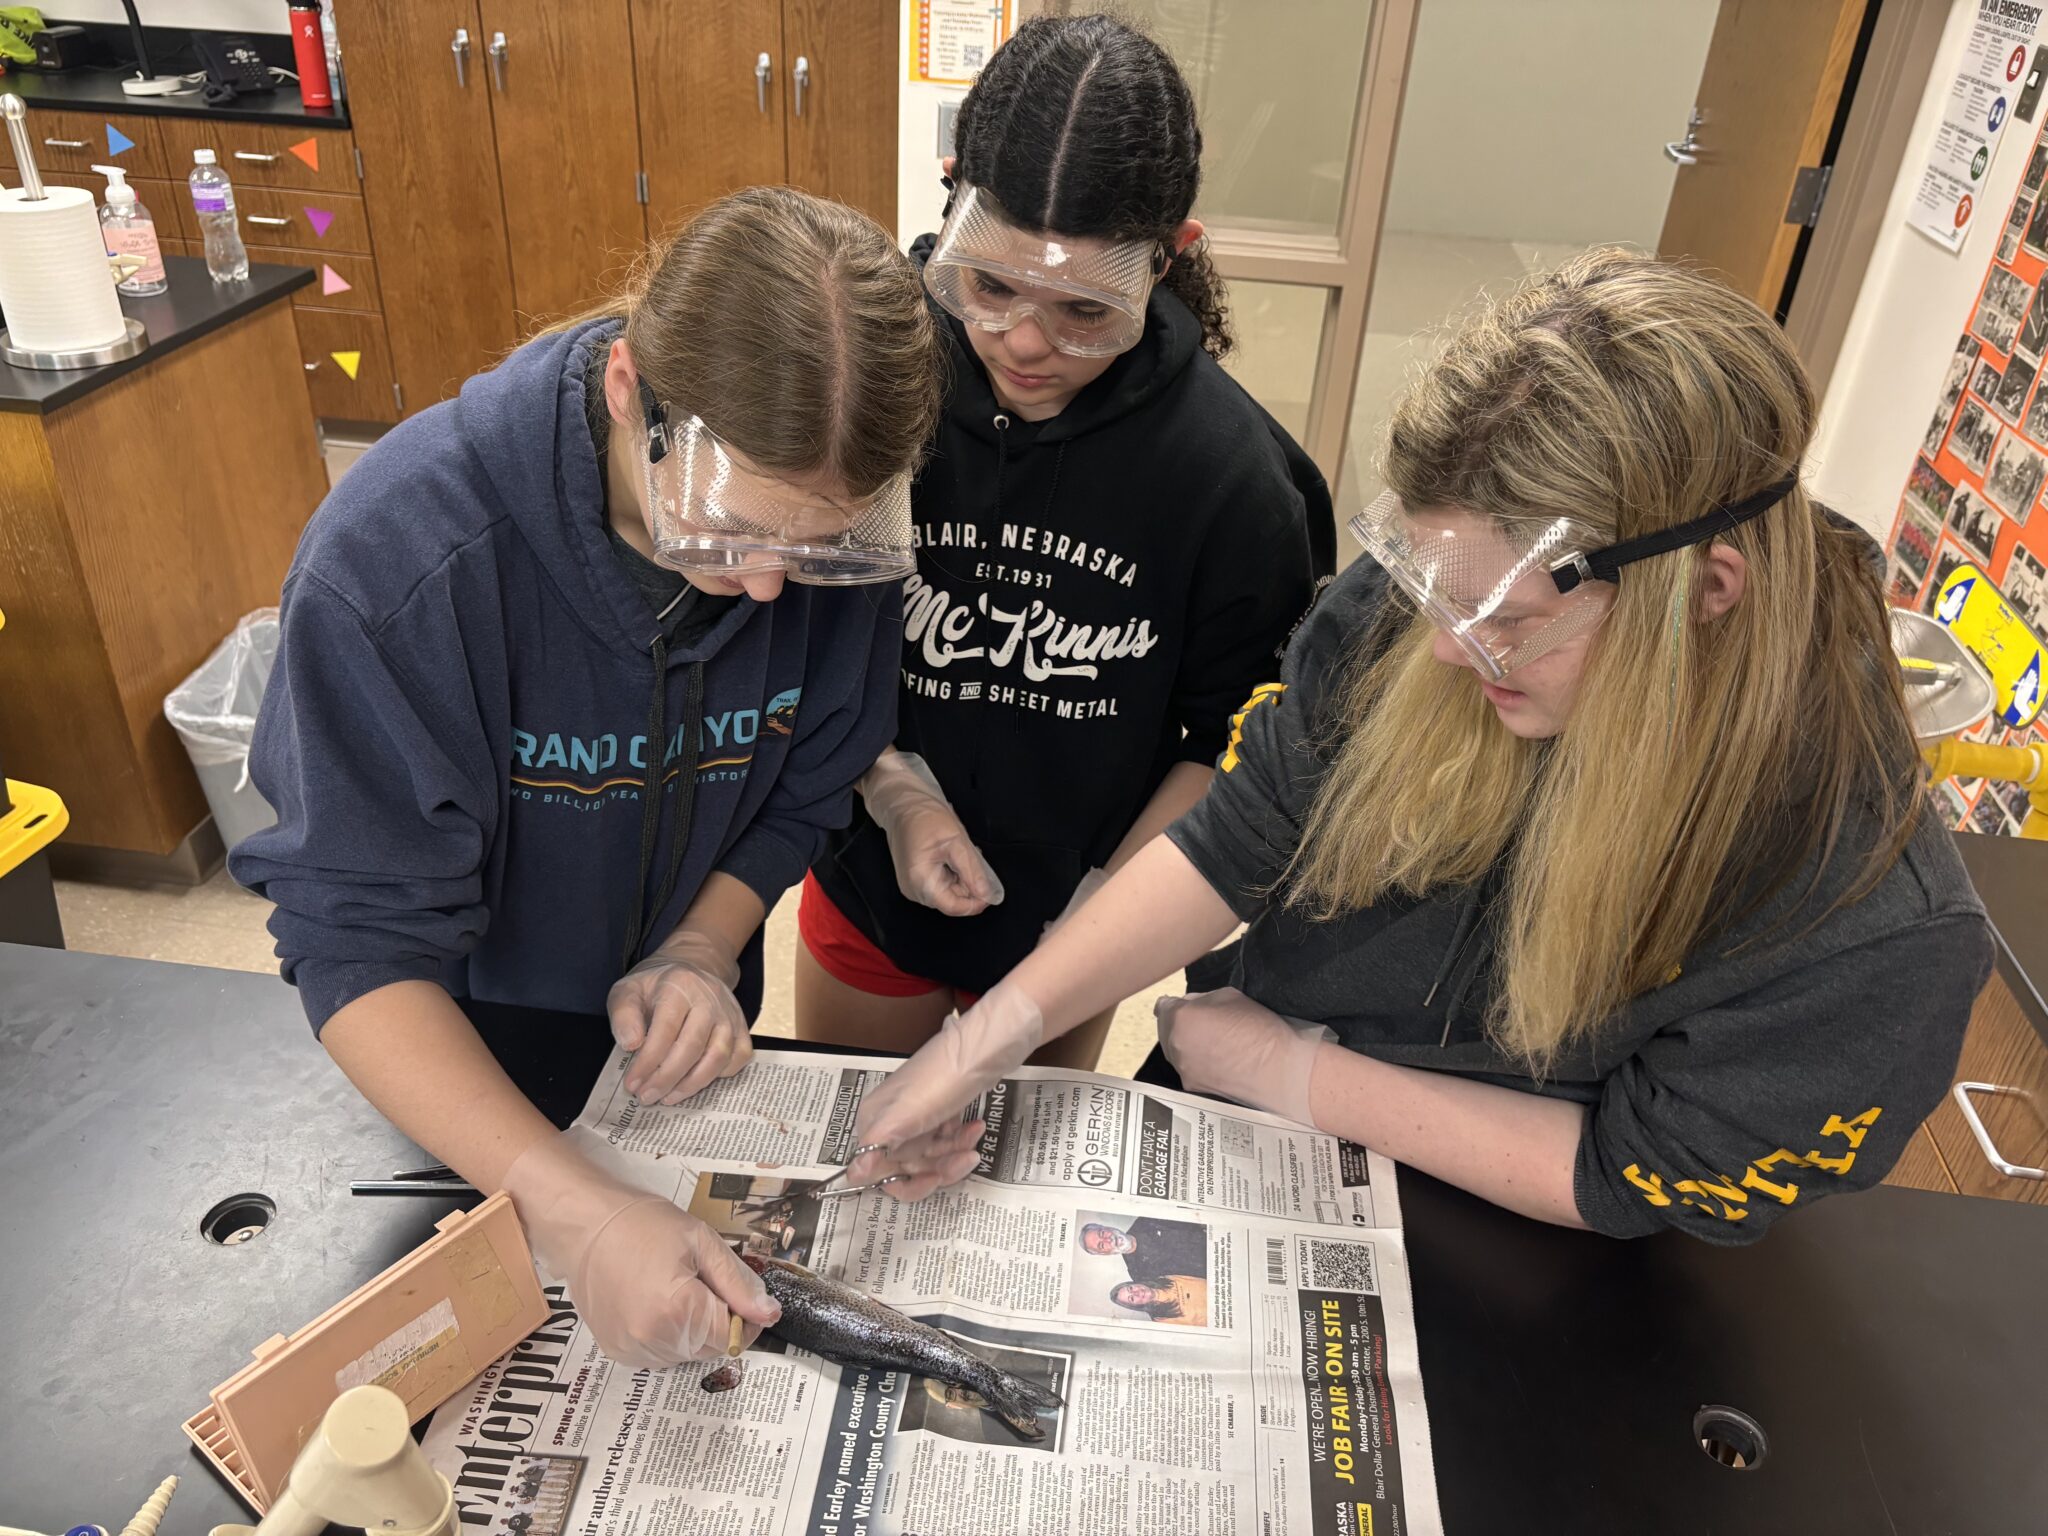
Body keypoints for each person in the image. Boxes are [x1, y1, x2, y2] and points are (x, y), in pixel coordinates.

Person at [844, 249, 1995, 1244]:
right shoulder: (1450, 598)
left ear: (1705, 592)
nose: (1446, 649)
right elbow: (1242, 829)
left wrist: (1302, 1078)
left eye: (1503, 618)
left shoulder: (1868, 923)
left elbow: (1643, 1167)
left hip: (1521, 1257)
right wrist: (995, 1031)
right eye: (1428, 595)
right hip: (1250, 1122)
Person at [230, 187, 944, 1361]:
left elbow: (805, 789)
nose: (768, 586)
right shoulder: (400, 562)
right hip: (458, 1047)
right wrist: (578, 1213)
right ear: (628, 390)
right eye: (726, 533)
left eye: (814, 549)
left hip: (679, 1058)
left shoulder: (828, 539)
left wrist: (702, 946)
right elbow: (355, 941)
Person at [796, 13, 1333, 1069]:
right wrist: (889, 789)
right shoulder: (864, 385)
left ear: (1168, 260)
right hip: (866, 880)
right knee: (848, 1135)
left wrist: (1100, 924)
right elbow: (793, 625)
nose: (1026, 342)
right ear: (951, 195)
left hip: (1079, 918)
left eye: (1086, 309)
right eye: (990, 286)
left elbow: (1231, 740)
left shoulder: (1233, 483)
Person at [1079, 1217, 1207, 1278]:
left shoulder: (1147, 1220)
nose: (1108, 1239)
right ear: (1104, 1254)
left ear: (1107, 1227)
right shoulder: (1138, 1274)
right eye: (1101, 1245)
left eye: (1102, 1233)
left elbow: (1197, 1220)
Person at [1109, 1276, 1206, 1326]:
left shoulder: (1166, 1278)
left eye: (1130, 1288)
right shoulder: (1161, 1319)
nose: (1136, 1293)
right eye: (1132, 1298)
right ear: (1136, 1306)